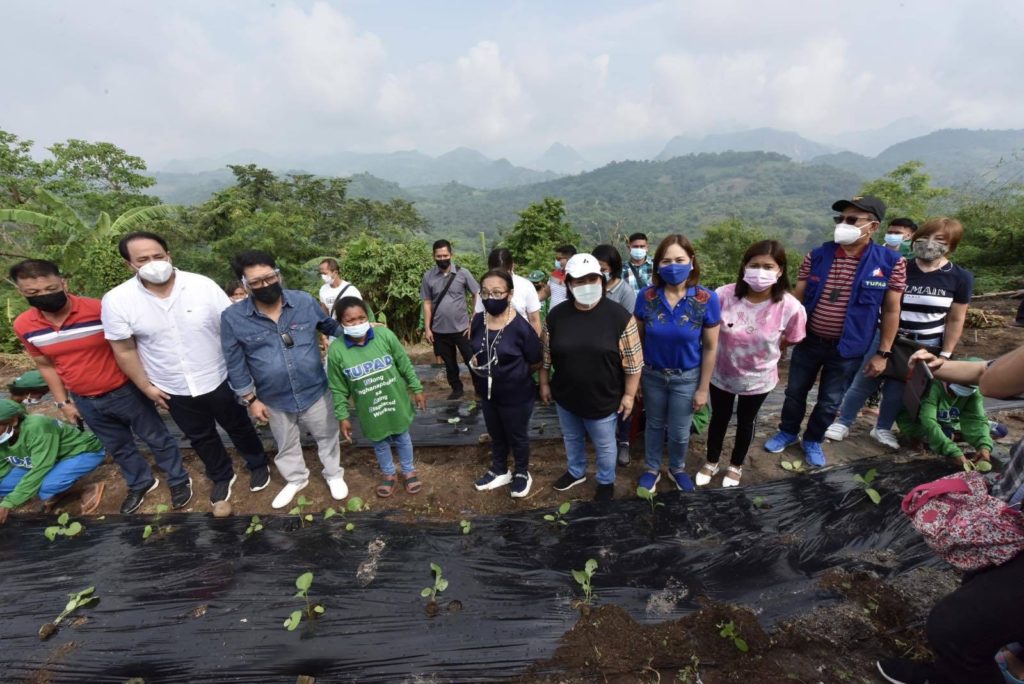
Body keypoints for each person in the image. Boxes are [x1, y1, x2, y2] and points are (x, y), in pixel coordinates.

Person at [877, 345, 1024, 684]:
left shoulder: (970, 400)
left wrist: (980, 444)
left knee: (954, 628)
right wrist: (939, 367)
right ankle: (1014, 661)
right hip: (1013, 515)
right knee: (984, 581)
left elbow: (984, 393)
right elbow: (990, 373)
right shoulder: (936, 395)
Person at [101, 232, 272, 506]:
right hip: (170, 384)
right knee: (200, 435)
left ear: (169, 255)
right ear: (129, 264)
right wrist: (146, 387)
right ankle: (221, 475)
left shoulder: (201, 285)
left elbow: (231, 327)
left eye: (158, 256)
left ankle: (257, 463)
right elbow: (124, 349)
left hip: (218, 375)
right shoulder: (117, 300)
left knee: (239, 425)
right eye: (143, 259)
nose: (153, 263)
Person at [11, 258, 192, 514]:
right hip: (84, 399)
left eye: (50, 289)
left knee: (156, 437)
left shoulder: (99, 309)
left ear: (64, 283)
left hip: (125, 390)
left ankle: (178, 479)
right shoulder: (24, 325)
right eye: (33, 293)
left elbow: (131, 347)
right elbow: (46, 365)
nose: (43, 296)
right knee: (118, 446)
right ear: (21, 292)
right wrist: (63, 402)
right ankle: (141, 482)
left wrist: (147, 384)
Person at [765, 196, 906, 466]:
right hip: (809, 341)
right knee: (795, 391)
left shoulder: (890, 262)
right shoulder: (818, 256)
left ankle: (813, 440)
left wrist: (883, 352)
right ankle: (787, 432)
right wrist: (783, 335)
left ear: (873, 227)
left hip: (849, 347)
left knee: (830, 400)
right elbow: (797, 298)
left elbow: (891, 310)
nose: (843, 224)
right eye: (840, 219)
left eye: (852, 220)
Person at [826, 217, 972, 449]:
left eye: (939, 239)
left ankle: (882, 428)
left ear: (952, 245)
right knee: (865, 378)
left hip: (924, 343)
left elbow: (956, 318)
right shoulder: (900, 266)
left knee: (899, 387)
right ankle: (844, 421)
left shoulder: (960, 277)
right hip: (886, 336)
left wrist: (946, 353)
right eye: (925, 237)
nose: (929, 243)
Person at [220, 250, 349, 510]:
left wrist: (360, 334)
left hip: (314, 388)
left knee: (327, 435)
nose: (264, 285)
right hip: (272, 397)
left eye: (269, 278)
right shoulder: (233, 318)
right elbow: (235, 362)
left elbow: (329, 326)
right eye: (255, 282)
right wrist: (250, 399)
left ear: (278, 274)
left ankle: (333, 473)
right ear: (245, 285)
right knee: (285, 442)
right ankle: (296, 478)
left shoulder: (303, 302)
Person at [700, 240, 806, 487]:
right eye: (755, 265)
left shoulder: (790, 307)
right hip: (721, 373)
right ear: (744, 267)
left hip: (758, 378)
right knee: (720, 418)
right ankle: (711, 461)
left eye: (768, 266)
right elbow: (709, 332)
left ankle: (736, 466)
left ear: (780, 270)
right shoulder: (723, 296)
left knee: (746, 421)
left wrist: (769, 351)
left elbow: (792, 338)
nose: (761, 271)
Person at [540, 254, 643, 502]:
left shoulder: (619, 317)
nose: (586, 285)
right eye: (578, 281)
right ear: (569, 284)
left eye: (592, 278)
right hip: (566, 393)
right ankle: (576, 472)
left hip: (603, 396)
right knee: (572, 436)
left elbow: (634, 362)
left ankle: (606, 480)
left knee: (605, 444)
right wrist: (544, 382)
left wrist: (629, 395)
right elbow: (546, 355)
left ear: (602, 279)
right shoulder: (556, 316)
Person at [634, 235, 721, 492]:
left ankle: (677, 467)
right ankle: (652, 468)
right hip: (652, 375)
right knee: (653, 424)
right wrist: (636, 379)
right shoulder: (646, 296)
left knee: (680, 430)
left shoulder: (707, 299)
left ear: (691, 262)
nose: (673, 266)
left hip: (687, 377)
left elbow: (710, 346)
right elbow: (637, 341)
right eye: (666, 261)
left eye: (680, 260)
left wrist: (703, 388)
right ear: (658, 265)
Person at [327, 297, 426, 498]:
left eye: (361, 318)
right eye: (350, 321)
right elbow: (338, 388)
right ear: (341, 323)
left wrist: (416, 388)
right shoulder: (337, 350)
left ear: (368, 316)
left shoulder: (384, 335)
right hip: (369, 407)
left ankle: (408, 470)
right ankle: (389, 473)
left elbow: (404, 363)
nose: (357, 324)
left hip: (394, 399)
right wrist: (342, 416)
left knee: (401, 435)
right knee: (379, 441)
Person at [470, 270, 543, 497]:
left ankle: (522, 472)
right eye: (485, 292)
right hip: (487, 393)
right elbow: (476, 349)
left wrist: (513, 374)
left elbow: (536, 360)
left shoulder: (521, 327)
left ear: (509, 294)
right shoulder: (478, 321)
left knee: (517, 434)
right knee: (496, 432)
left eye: (497, 292)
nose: (490, 297)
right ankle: (500, 469)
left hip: (516, 394)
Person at [0, 399, 105, 524]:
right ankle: (43, 486)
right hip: (41, 458)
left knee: (48, 486)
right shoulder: (4, 434)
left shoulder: (37, 427)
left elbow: (41, 468)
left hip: (77, 452)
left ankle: (82, 487)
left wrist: (9, 502)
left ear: (13, 421)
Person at [592, 244, 638, 466]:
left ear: (613, 268)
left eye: (603, 268)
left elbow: (631, 328)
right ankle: (605, 439)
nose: (599, 273)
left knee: (623, 399)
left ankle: (624, 443)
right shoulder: (590, 289)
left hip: (618, 356)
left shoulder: (624, 292)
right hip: (597, 356)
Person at [421, 239, 480, 400]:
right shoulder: (428, 276)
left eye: (445, 255)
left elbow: (477, 293)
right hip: (439, 329)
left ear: (451, 255)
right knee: (449, 363)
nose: (442, 259)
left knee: (472, 360)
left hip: (462, 328)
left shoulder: (463, 273)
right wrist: (427, 328)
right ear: (433, 256)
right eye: (438, 256)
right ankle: (457, 389)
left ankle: (478, 388)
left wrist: (474, 316)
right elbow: (426, 302)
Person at [895, 376, 992, 467]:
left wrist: (984, 446)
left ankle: (949, 437)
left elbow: (976, 419)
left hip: (947, 422)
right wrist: (952, 452)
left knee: (997, 431)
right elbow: (929, 421)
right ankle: (919, 440)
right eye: (964, 385)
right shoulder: (933, 386)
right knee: (945, 435)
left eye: (969, 387)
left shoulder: (973, 391)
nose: (966, 389)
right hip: (917, 423)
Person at [472, 248, 542, 335]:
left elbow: (535, 321)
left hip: (521, 339)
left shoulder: (526, 286)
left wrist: (534, 343)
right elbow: (478, 315)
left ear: (512, 266)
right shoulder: (485, 289)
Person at [548, 244, 577, 310]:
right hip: (552, 316)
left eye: (559, 259)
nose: (557, 262)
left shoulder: (578, 278)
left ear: (570, 259)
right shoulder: (555, 273)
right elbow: (546, 292)